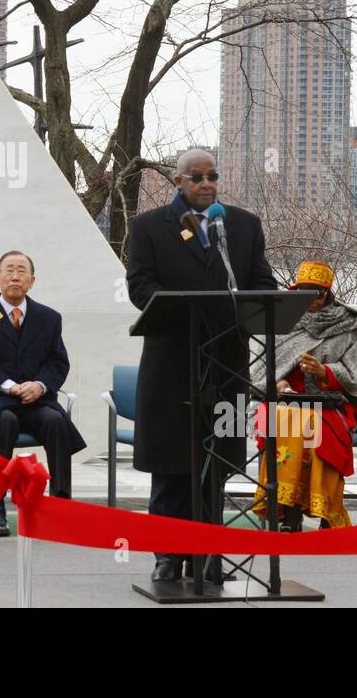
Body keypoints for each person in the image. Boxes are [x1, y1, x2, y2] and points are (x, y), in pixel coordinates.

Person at [125, 148, 278, 584]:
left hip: (226, 366)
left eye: (212, 175)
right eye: (197, 177)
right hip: (171, 366)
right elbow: (141, 288)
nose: (206, 183)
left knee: (217, 463)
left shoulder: (242, 225)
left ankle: (210, 552)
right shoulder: (149, 227)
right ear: (178, 181)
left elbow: (261, 283)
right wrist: (188, 311)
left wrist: (261, 302)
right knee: (172, 466)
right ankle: (168, 556)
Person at [0, 250, 86, 536]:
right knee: (5, 422)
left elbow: (58, 362)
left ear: (32, 280)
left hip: (36, 400)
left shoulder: (49, 318)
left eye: (21, 271)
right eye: (9, 270)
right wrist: (10, 386)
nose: (15, 276)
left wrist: (39, 385)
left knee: (55, 421)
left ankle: (61, 504)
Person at [250, 261, 357, 530]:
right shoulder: (282, 320)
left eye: (318, 293)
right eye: (306, 292)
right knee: (287, 421)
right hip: (283, 403)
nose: (313, 299)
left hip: (332, 404)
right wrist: (278, 382)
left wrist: (325, 371)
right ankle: (288, 510)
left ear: (328, 294)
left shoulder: (348, 324)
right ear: (295, 292)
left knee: (315, 428)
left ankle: (326, 512)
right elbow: (260, 369)